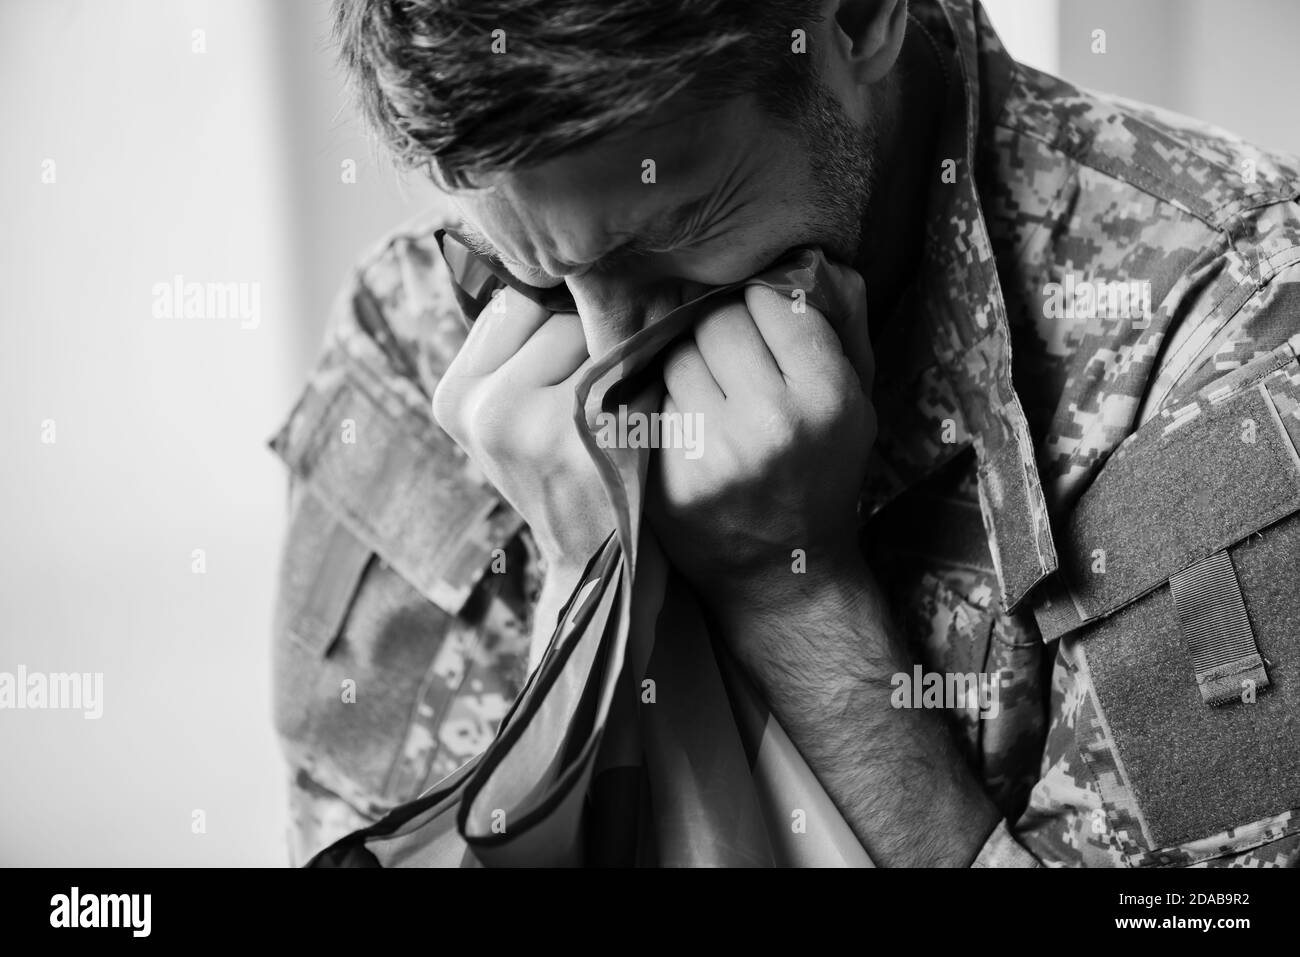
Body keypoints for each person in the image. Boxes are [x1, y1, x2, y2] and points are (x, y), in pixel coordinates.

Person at [270, 0, 1300, 866]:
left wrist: (793, 599)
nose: (605, 358)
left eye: (670, 231)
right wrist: (588, 606)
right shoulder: (412, 326)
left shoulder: (1234, 332)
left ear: (853, 22)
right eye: (537, 272)